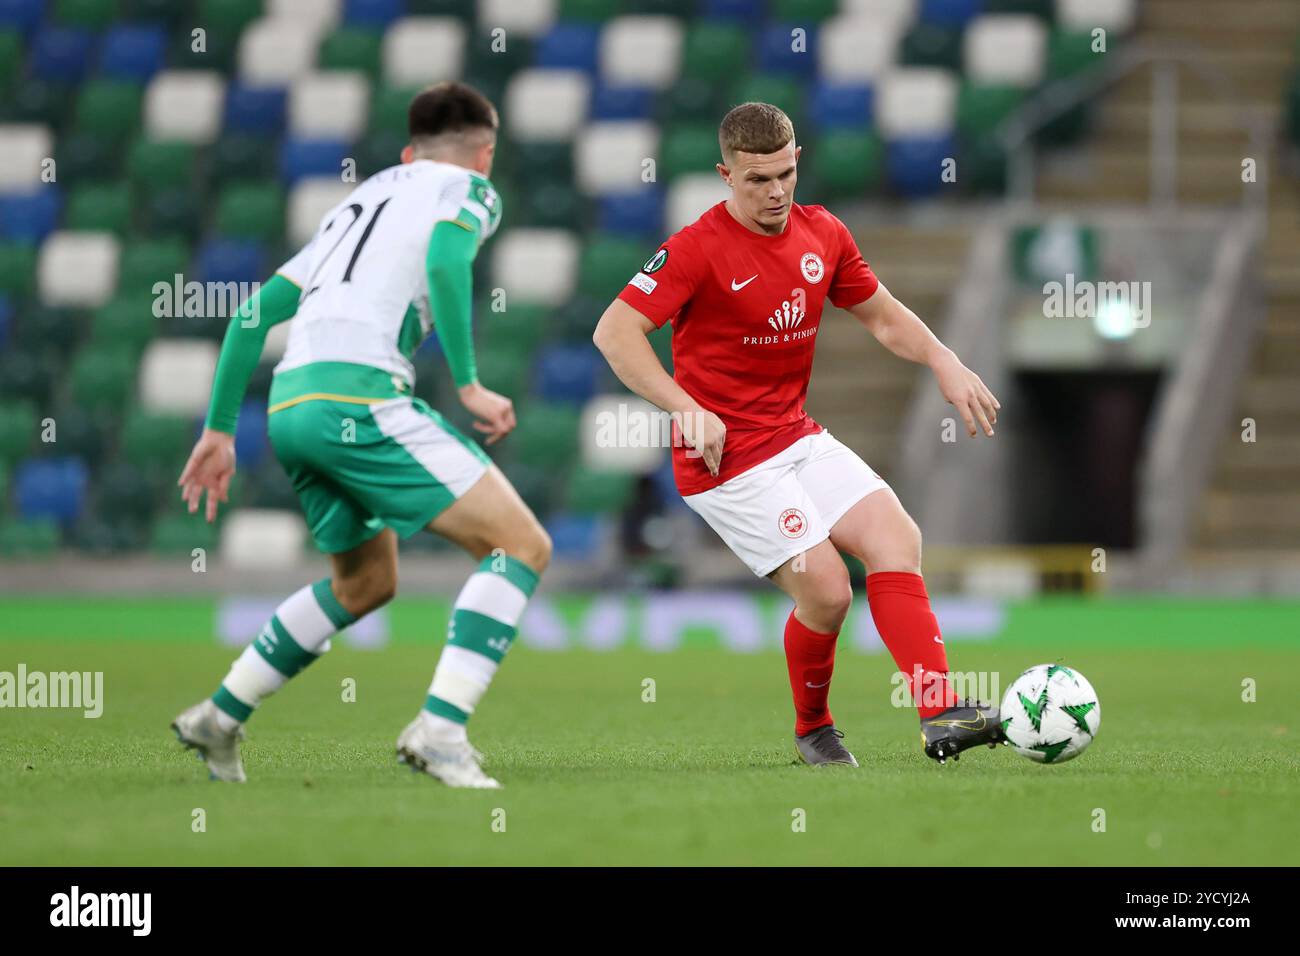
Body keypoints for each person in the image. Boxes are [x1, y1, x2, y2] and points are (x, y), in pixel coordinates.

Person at [592, 102, 1003, 766]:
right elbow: (614, 332)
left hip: (794, 436)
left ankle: (941, 713)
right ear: (725, 175)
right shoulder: (697, 249)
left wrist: (942, 360)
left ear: (797, 161)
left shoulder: (823, 234)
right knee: (829, 591)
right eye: (757, 181)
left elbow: (883, 316)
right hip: (724, 461)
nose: (775, 192)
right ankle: (814, 728)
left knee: (897, 538)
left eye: (784, 174)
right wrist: (682, 404)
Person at [172, 82, 550, 789]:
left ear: (408, 152)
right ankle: (440, 730)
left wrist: (220, 430)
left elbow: (252, 316)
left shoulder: (355, 204)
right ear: (485, 153)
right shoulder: (468, 188)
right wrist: (467, 382)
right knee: (521, 544)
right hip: (358, 396)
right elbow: (444, 261)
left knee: (364, 583)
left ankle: (219, 716)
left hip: (291, 406)